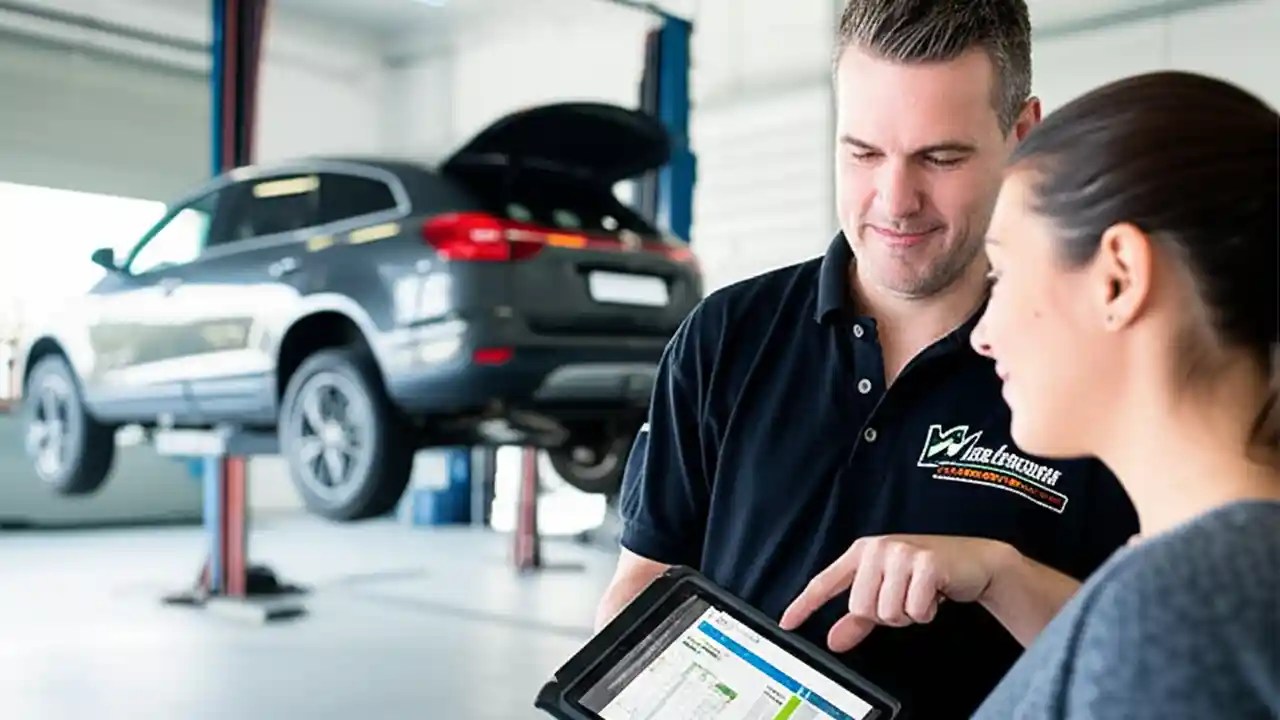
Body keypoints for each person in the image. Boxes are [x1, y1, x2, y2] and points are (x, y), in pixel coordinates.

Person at [596, 1, 1139, 717]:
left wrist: (1000, 574)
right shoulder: (724, 335)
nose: (895, 201)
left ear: (1023, 138)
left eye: (939, 157)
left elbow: (1142, 662)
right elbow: (644, 583)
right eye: (862, 153)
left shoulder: (1093, 367)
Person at [967, 71, 1279, 718]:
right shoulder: (1215, 576)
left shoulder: (1180, 602)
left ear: (1118, 279)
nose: (983, 336)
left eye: (999, 275)